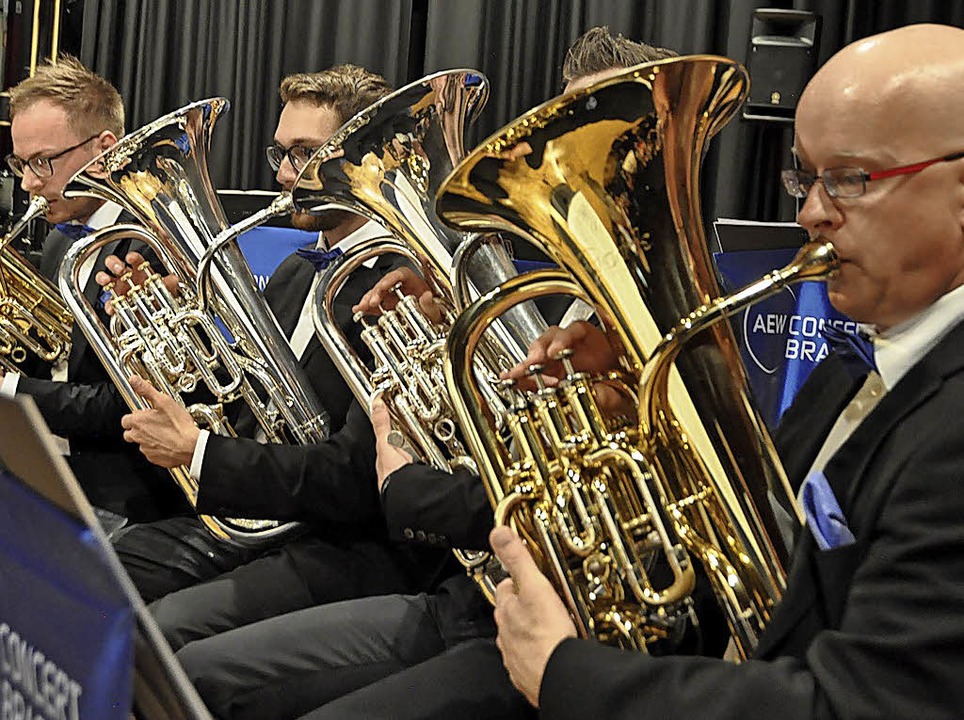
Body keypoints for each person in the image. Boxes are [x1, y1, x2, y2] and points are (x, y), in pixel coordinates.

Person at [175, 28, 695, 720]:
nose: (557, 165)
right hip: (472, 597)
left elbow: (568, 507)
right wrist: (448, 334)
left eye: (591, 139)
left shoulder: (671, 316)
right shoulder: (538, 299)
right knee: (190, 663)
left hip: (563, 633)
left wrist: (411, 488)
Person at [490, 23, 964, 720]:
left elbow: (856, 704)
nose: (810, 214)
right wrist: (636, 415)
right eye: (805, 177)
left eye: (850, 180)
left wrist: (565, 673)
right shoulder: (857, 361)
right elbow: (768, 546)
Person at [108, 65, 449, 653]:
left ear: (360, 163)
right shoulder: (296, 268)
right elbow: (245, 406)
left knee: (159, 634)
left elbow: (351, 477)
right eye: (282, 154)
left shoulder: (401, 288)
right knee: (81, 574)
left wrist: (199, 450)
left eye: (306, 154)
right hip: (259, 516)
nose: (288, 175)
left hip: (343, 541)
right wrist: (156, 338)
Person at [0, 55, 184, 523]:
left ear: (105, 148)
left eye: (43, 162)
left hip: (129, 489)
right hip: (53, 456)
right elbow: (52, 355)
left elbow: (127, 400)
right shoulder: (62, 239)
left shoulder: (151, 246)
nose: (28, 183)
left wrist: (10, 390)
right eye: (21, 163)